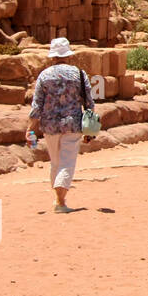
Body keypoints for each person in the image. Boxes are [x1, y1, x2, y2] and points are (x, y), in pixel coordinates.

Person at [26, 37, 95, 214]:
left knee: (55, 162)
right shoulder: (79, 74)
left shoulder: (44, 75)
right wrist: (91, 129)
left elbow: (37, 105)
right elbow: (89, 103)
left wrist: (30, 128)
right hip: (72, 124)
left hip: (49, 125)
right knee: (67, 163)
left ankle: (58, 199)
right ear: (68, 55)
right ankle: (60, 201)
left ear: (52, 56)